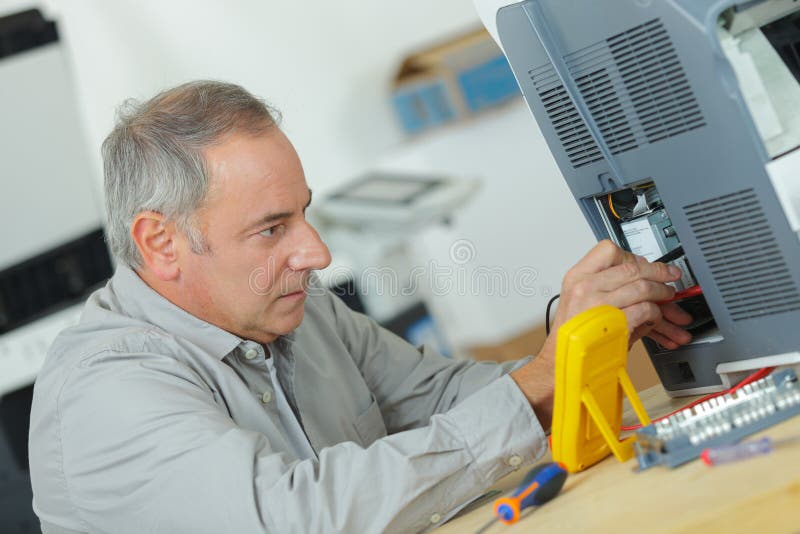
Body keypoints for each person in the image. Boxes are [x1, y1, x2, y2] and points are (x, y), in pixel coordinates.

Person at [28, 81, 692, 533]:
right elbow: (295, 519)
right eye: (271, 228)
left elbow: (443, 399)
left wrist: (584, 343)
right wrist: (543, 378)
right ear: (161, 243)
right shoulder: (104, 389)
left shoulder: (298, 310)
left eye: (302, 214)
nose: (315, 253)